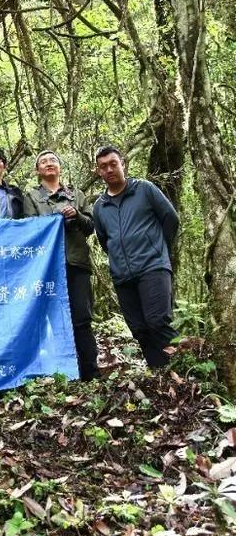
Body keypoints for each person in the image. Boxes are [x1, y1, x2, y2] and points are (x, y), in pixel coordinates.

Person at [93, 145, 179, 369]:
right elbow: (105, 240)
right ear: (99, 172)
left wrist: (159, 248)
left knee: (158, 321)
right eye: (103, 167)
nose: (109, 169)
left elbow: (170, 218)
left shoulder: (144, 189)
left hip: (152, 266)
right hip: (122, 275)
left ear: (123, 164)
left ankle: (182, 368)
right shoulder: (99, 207)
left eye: (113, 164)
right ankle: (160, 372)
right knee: (139, 329)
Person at [23, 150, 99, 381]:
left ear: (59, 167)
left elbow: (90, 226)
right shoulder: (32, 196)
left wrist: (75, 215)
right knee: (46, 318)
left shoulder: (76, 194)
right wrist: (56, 219)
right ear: (37, 171)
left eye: (53, 160)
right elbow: (30, 227)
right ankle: (55, 372)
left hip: (75, 262)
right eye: (43, 162)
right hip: (45, 266)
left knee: (81, 319)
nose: (49, 164)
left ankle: (90, 373)